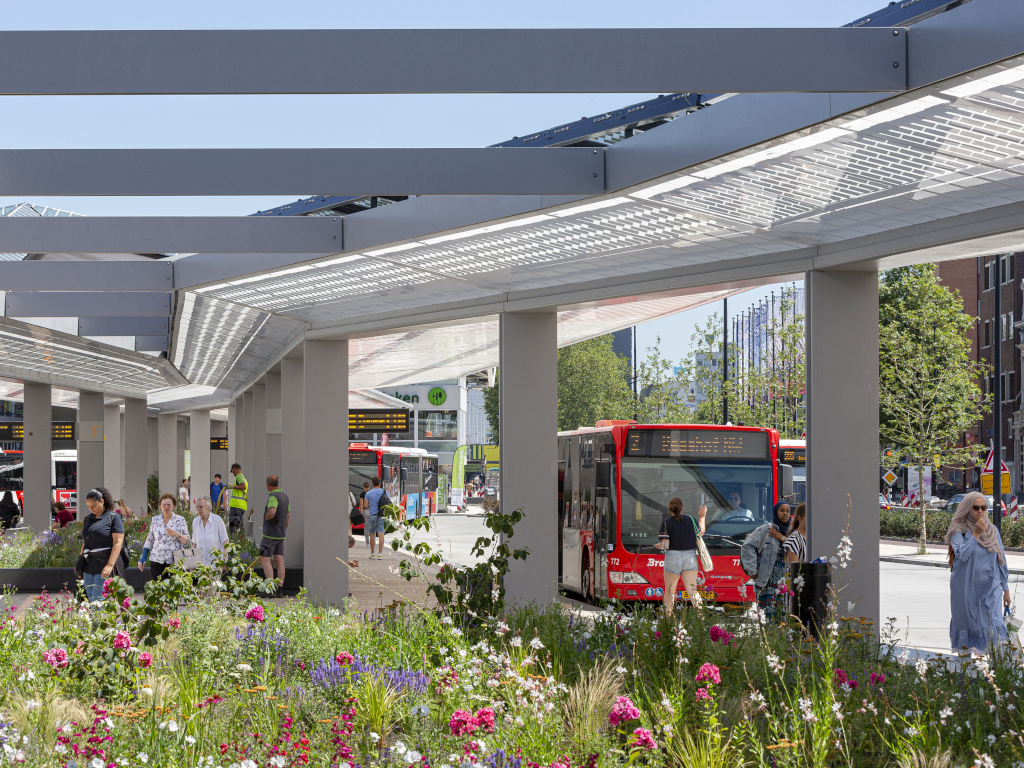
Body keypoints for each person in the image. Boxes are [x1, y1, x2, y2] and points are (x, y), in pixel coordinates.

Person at [946, 491, 1010, 652]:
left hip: (990, 587)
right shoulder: (958, 530)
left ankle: (994, 672)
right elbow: (962, 555)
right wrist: (975, 535)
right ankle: (966, 674)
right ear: (968, 508)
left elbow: (1000, 559)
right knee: (968, 630)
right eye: (976, 508)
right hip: (966, 589)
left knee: (993, 626)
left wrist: (1006, 589)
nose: (980, 511)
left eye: (983, 507)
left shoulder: (992, 530)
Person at [740, 501, 792, 618]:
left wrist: (782, 538)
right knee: (767, 621)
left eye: (787, 511)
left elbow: (798, 548)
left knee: (784, 619)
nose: (785, 514)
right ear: (775, 512)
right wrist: (752, 571)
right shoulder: (766, 530)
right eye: (782, 510)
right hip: (766, 584)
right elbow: (747, 547)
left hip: (786, 585)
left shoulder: (792, 532)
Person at [656, 497, 707, 612]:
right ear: (682, 507)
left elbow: (665, 545)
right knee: (693, 591)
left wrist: (659, 545)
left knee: (669, 591)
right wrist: (702, 517)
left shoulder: (666, 523)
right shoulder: (691, 520)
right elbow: (701, 533)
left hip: (673, 557)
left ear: (670, 509)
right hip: (690, 557)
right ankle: (701, 619)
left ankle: (667, 620)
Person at [79, 487, 124, 601]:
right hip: (89, 565)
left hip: (103, 564)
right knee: (90, 600)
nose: (91, 508)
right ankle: (95, 619)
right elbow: (86, 541)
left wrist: (110, 565)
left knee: (97, 600)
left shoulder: (113, 517)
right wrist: (80, 561)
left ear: (102, 501)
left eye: (93, 505)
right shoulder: (88, 518)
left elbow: (118, 542)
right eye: (88, 506)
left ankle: (97, 620)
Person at [138, 492, 191, 581]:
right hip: (157, 561)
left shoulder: (180, 520)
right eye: (164, 505)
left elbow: (186, 540)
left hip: (174, 562)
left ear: (173, 506)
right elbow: (149, 540)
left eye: (169, 505)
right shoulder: (155, 520)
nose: (166, 507)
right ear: (160, 506)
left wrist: (176, 534)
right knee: (159, 590)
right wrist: (143, 558)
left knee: (173, 591)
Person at [260, 475, 289, 592]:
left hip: (269, 535)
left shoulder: (273, 497)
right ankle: (280, 589)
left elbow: (272, 511)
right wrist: (284, 528)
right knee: (279, 559)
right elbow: (287, 516)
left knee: (265, 559)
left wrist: (267, 517)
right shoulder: (285, 497)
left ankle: (270, 588)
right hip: (281, 534)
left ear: (267, 484)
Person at [191, 495, 229, 568]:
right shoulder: (195, 522)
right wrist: (193, 562)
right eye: (197, 507)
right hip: (200, 566)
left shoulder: (217, 520)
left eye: (201, 506)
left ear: (208, 507)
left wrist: (225, 557)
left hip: (215, 565)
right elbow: (194, 544)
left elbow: (225, 541)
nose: (198, 509)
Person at [364, 477, 387, 560]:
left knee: (372, 534)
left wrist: (371, 506)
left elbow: (365, 505)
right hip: (382, 515)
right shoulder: (384, 492)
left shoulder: (368, 493)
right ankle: (380, 554)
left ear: (372, 484)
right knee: (381, 533)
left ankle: (373, 553)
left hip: (373, 515)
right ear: (379, 483)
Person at [225, 463, 248, 535]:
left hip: (236, 506)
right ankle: (241, 542)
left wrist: (231, 487)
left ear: (234, 469)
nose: (233, 474)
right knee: (240, 526)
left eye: (232, 472)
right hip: (241, 506)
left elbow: (243, 487)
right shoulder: (243, 478)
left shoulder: (238, 477)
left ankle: (233, 542)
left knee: (233, 527)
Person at [360, 481, 372, 547]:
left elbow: (361, 504)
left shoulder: (362, 494)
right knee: (372, 527)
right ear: (369, 486)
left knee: (366, 527)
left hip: (365, 512)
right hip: (372, 511)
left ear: (363, 487)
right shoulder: (372, 493)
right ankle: (373, 541)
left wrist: (361, 512)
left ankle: (367, 543)